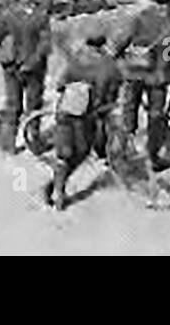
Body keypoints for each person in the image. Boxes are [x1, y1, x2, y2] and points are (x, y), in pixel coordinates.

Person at [112, 0, 170, 172]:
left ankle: (117, 154)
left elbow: (121, 41)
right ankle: (152, 158)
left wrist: (118, 58)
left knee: (128, 112)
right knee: (156, 116)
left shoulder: (141, 18)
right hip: (157, 78)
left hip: (134, 72)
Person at [47, 17, 122, 211]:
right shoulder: (110, 67)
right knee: (80, 152)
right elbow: (109, 99)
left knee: (63, 153)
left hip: (64, 111)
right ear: (104, 42)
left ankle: (57, 190)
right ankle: (57, 188)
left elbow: (59, 85)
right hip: (86, 118)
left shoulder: (76, 60)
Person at [0, 0, 52, 153]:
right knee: (34, 105)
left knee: (12, 104)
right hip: (34, 67)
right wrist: (33, 61)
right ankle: (34, 141)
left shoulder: (7, 14)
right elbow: (45, 43)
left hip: (11, 65)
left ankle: (9, 144)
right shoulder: (41, 15)